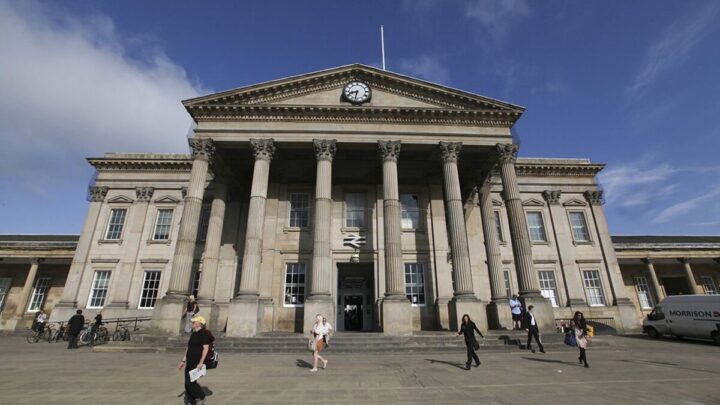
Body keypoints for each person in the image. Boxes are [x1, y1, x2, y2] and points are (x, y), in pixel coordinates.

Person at [177, 315, 211, 405]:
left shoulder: (204, 334)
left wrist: (201, 362)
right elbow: (188, 348)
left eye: (194, 322)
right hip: (189, 361)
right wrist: (183, 361)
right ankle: (190, 401)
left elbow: (206, 348)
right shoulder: (194, 333)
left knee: (190, 383)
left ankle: (201, 396)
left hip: (196, 362)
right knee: (187, 384)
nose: (192, 323)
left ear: (199, 324)